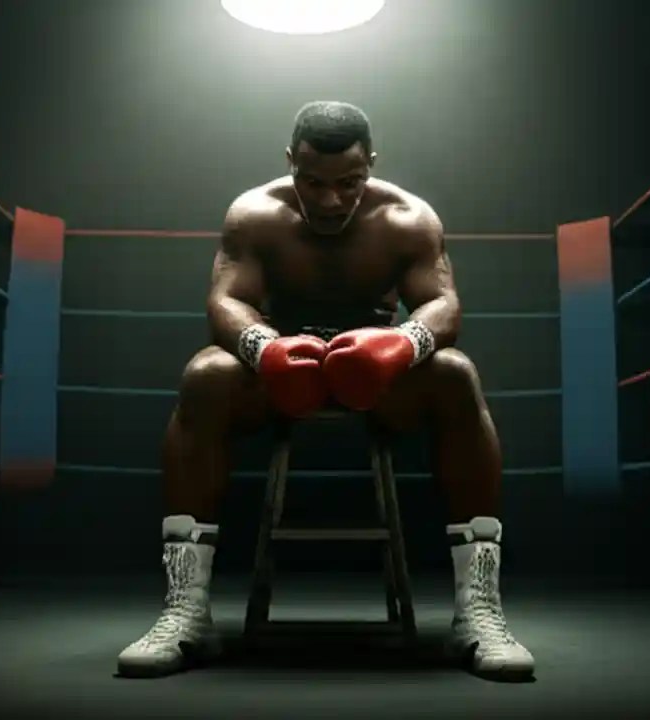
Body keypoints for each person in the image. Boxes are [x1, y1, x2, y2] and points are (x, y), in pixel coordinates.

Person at [117, 101, 533, 681]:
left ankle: (480, 611)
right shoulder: (255, 215)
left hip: (377, 379)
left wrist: (400, 344)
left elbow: (443, 305)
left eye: (349, 182)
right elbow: (225, 300)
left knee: (456, 374)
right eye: (313, 182)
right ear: (291, 161)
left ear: (372, 165)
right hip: (280, 371)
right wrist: (266, 349)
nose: (331, 200)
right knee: (206, 374)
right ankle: (185, 610)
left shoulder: (408, 218)